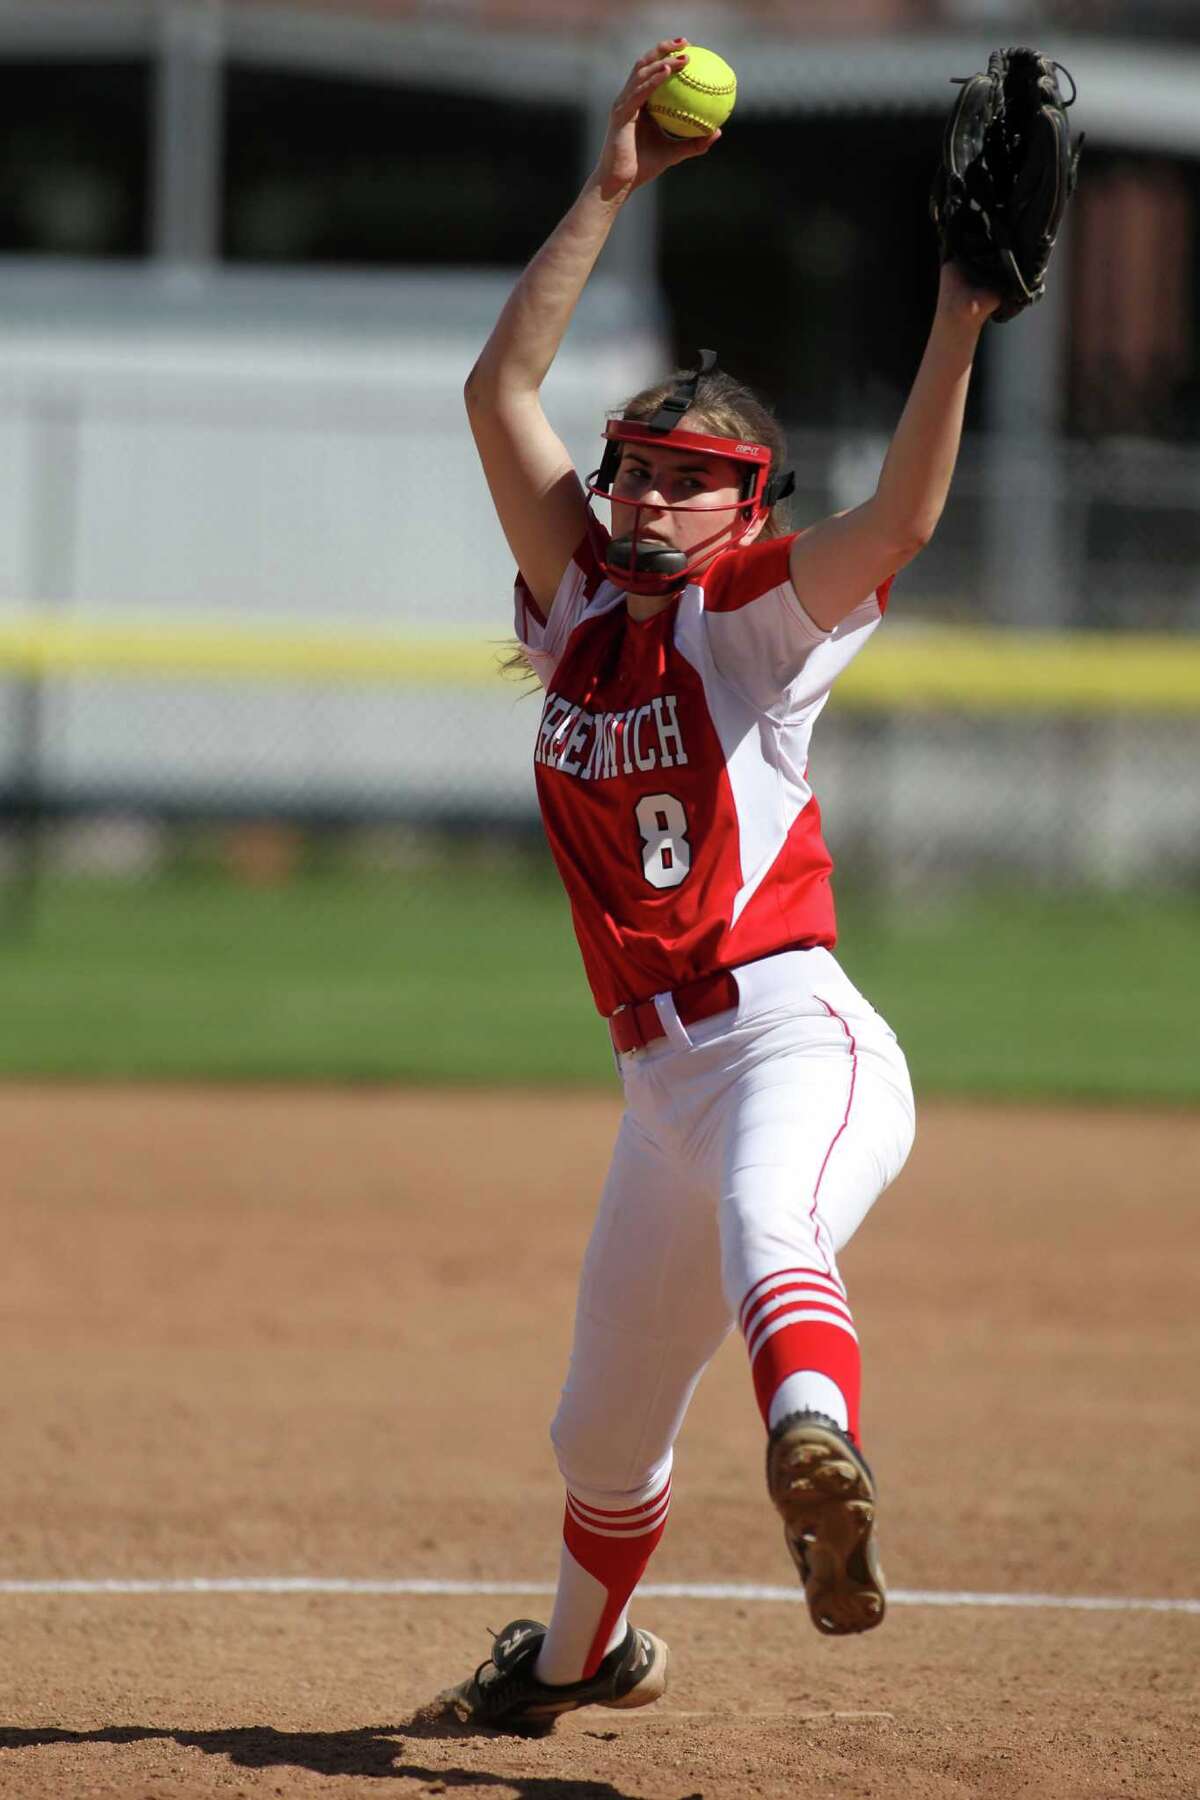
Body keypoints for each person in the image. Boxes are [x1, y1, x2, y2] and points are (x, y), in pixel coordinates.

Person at [441, 37, 1000, 1733]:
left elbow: (900, 515)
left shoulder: (749, 618)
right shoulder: (581, 613)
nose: (649, 488)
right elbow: (496, 394)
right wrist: (611, 186)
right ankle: (572, 1661)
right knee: (598, 1434)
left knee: (778, 1225)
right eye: (638, 465)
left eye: (689, 474)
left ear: (742, 503)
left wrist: (961, 316)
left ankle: (819, 1448)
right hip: (659, 1085)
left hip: (793, 1046)